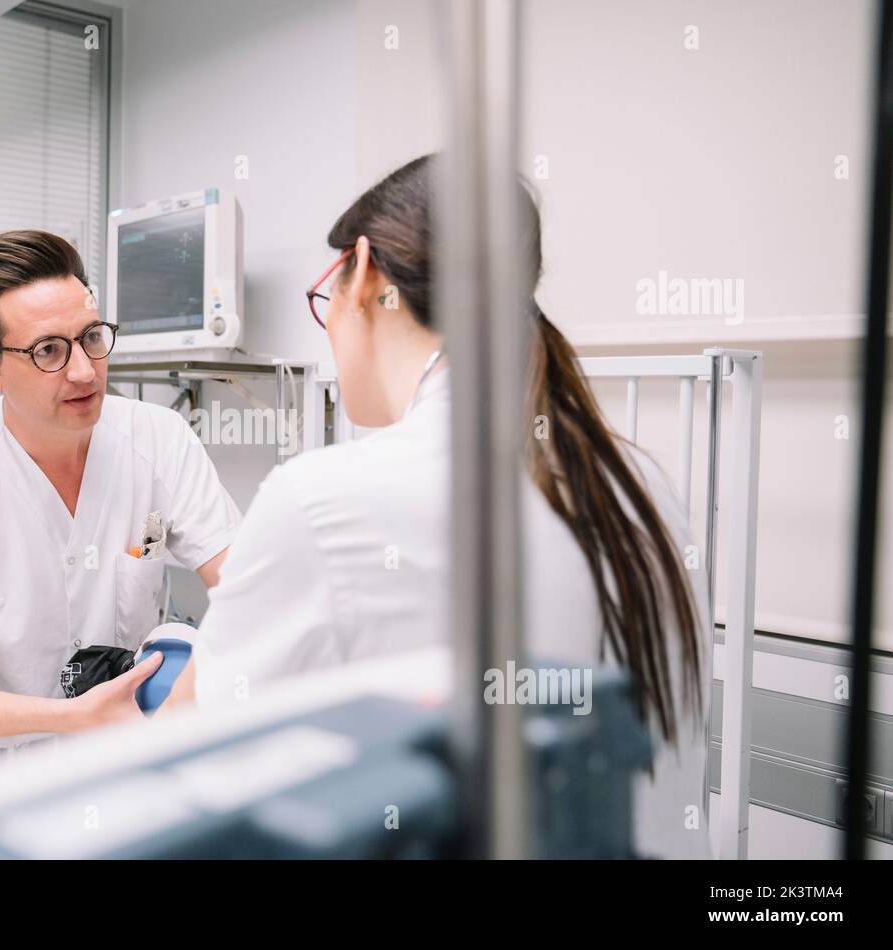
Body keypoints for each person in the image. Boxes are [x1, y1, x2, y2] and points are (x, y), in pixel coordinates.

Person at [184, 155, 712, 859]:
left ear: (363, 274)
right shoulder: (639, 479)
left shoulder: (318, 499)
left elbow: (202, 762)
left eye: (325, 295)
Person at [0, 230, 241, 738]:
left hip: (130, 754)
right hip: (1, 768)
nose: (84, 372)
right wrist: (70, 718)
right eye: (48, 350)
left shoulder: (159, 439)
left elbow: (247, 584)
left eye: (92, 338)